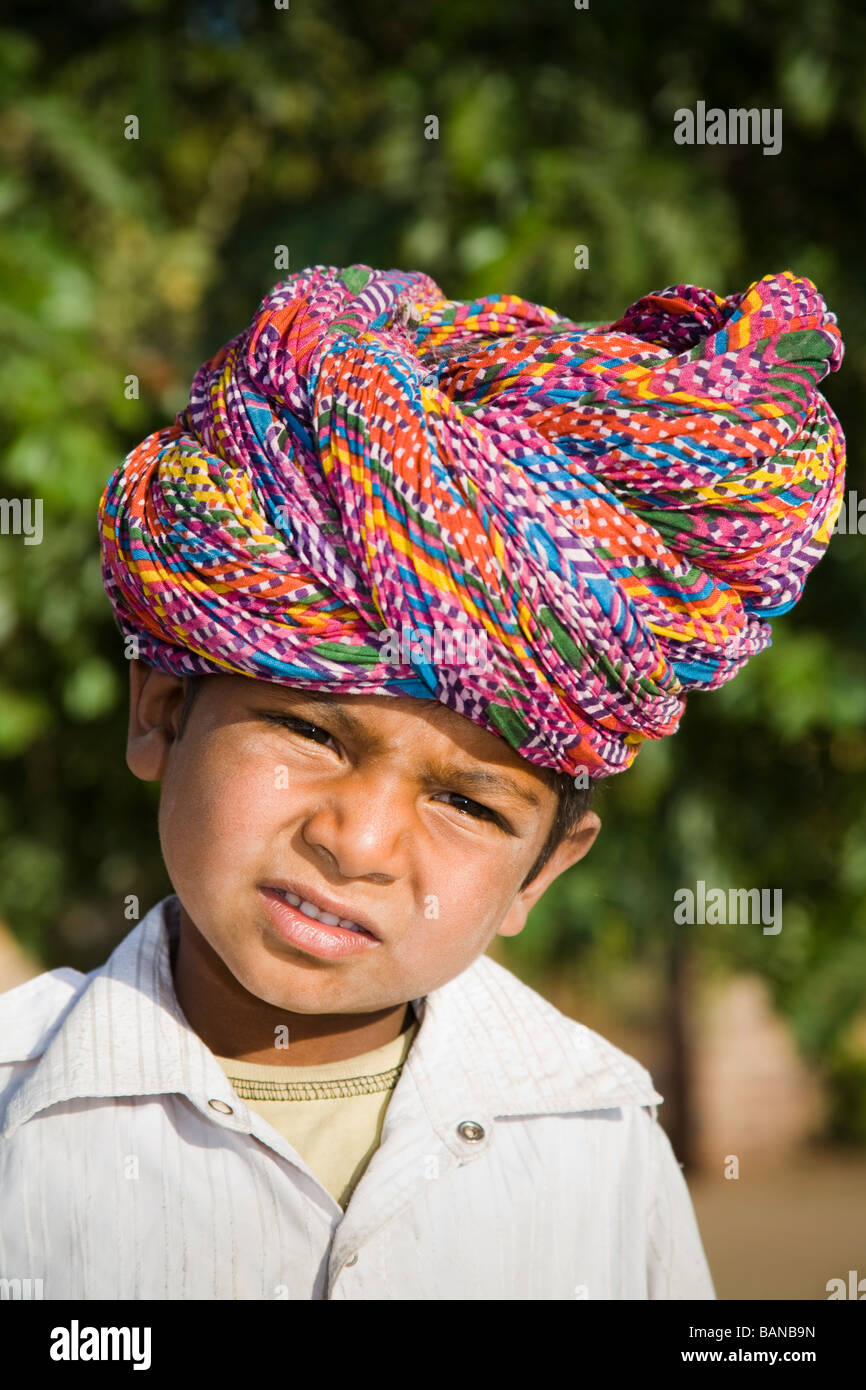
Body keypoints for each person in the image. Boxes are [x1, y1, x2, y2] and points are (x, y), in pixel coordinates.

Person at [0, 263, 845, 1300]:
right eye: (310, 732)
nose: (356, 842)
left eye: (465, 802)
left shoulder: (595, 1133)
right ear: (161, 710)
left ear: (537, 875)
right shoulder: (16, 1114)